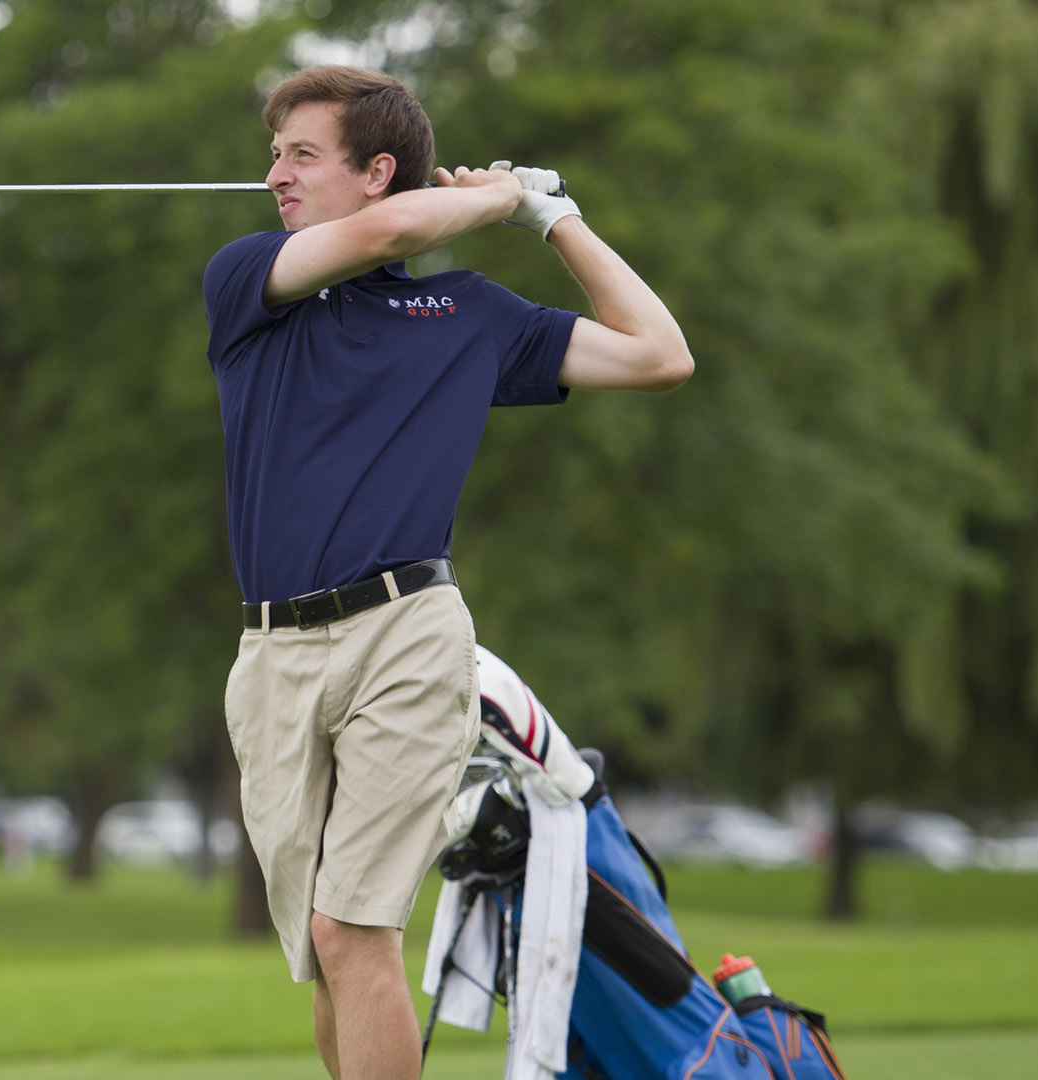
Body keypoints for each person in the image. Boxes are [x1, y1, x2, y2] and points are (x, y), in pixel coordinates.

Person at [202, 65, 692, 1080]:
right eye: (275, 153)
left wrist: (555, 219)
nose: (274, 176)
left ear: (378, 169)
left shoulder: (467, 315)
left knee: (354, 931)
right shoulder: (250, 280)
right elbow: (384, 236)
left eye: (301, 155)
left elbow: (659, 355)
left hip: (405, 634)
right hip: (272, 655)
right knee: (326, 960)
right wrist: (495, 196)